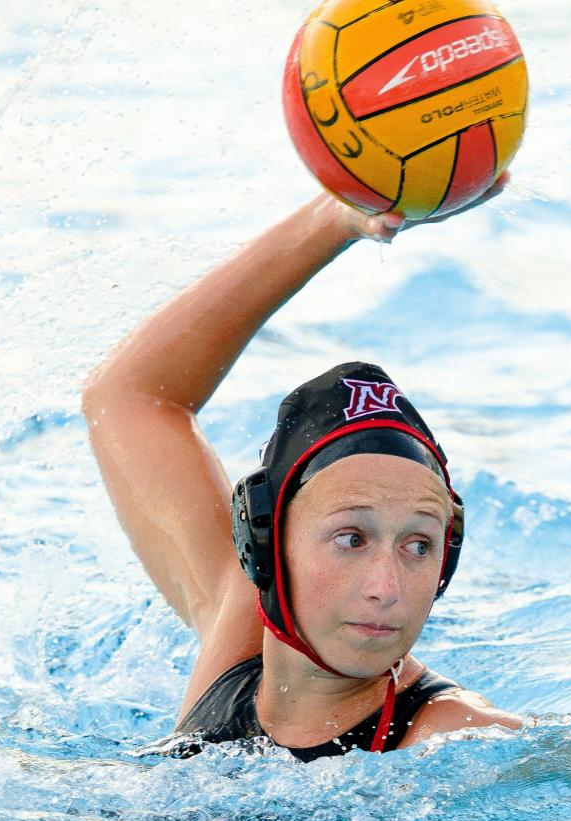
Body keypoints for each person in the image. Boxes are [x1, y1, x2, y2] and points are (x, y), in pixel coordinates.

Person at [82, 177, 521, 761]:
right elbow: (127, 396)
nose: (385, 588)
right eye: (351, 538)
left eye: (418, 544)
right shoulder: (237, 638)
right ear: (265, 548)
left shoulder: (457, 737)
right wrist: (335, 218)